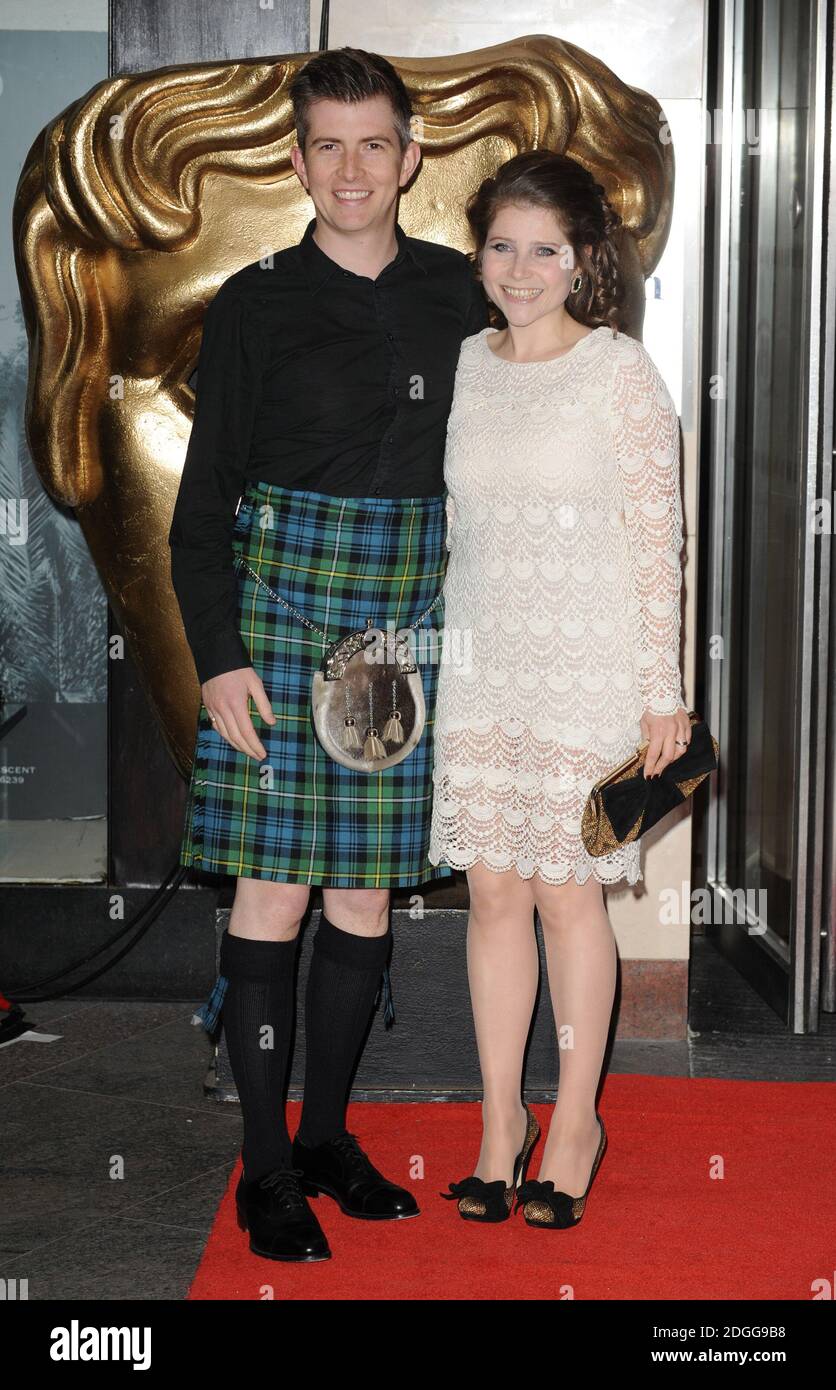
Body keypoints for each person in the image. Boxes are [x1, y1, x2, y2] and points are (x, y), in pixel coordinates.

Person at [168, 47, 489, 1262]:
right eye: (327, 145)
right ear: (295, 160)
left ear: (410, 157)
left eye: (374, 143)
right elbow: (202, 511)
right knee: (272, 894)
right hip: (280, 634)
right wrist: (215, 656)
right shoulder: (250, 305)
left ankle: (327, 1138)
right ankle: (262, 1168)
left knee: (363, 898)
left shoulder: (464, 294)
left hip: (406, 636)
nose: (351, 168)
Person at [429, 149, 691, 1228]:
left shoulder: (617, 371)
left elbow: (655, 542)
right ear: (479, 251)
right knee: (490, 893)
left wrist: (659, 691)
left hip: (586, 671)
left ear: (580, 259)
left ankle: (573, 1119)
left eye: (543, 249)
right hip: (483, 667)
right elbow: (461, 533)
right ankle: (500, 1122)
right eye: (501, 245)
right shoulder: (465, 361)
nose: (519, 268)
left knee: (564, 896)